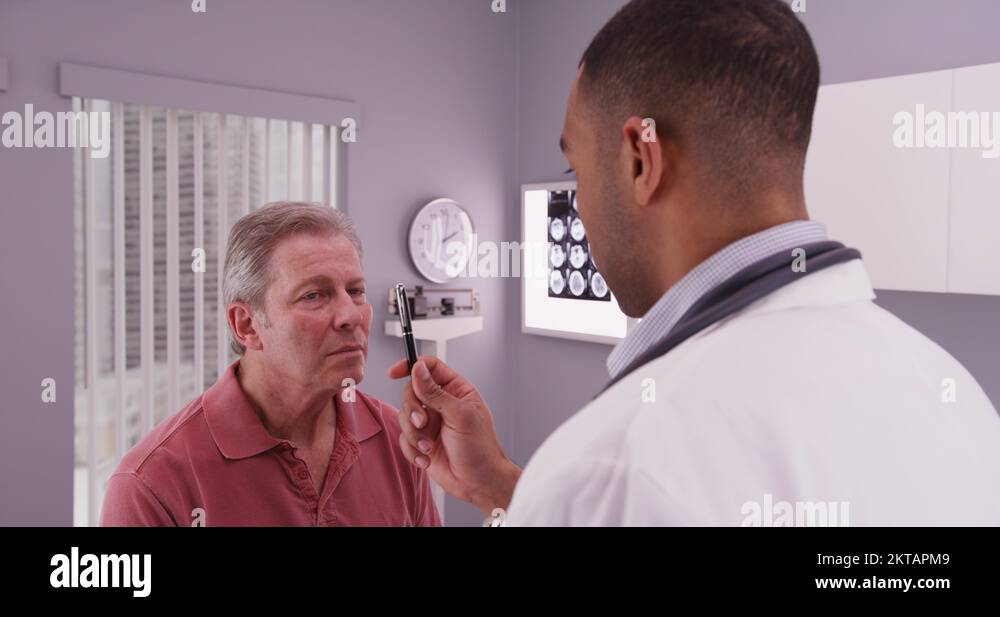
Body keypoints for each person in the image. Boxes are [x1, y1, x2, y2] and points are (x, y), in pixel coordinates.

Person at [390, 0, 1000, 526]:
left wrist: (551, 494)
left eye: (577, 171)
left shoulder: (620, 460)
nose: (578, 204)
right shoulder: (957, 400)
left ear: (640, 159)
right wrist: (497, 484)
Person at [102, 202, 440, 527]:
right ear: (247, 325)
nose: (351, 315)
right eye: (314, 295)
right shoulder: (151, 484)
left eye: (355, 291)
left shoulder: (397, 440)